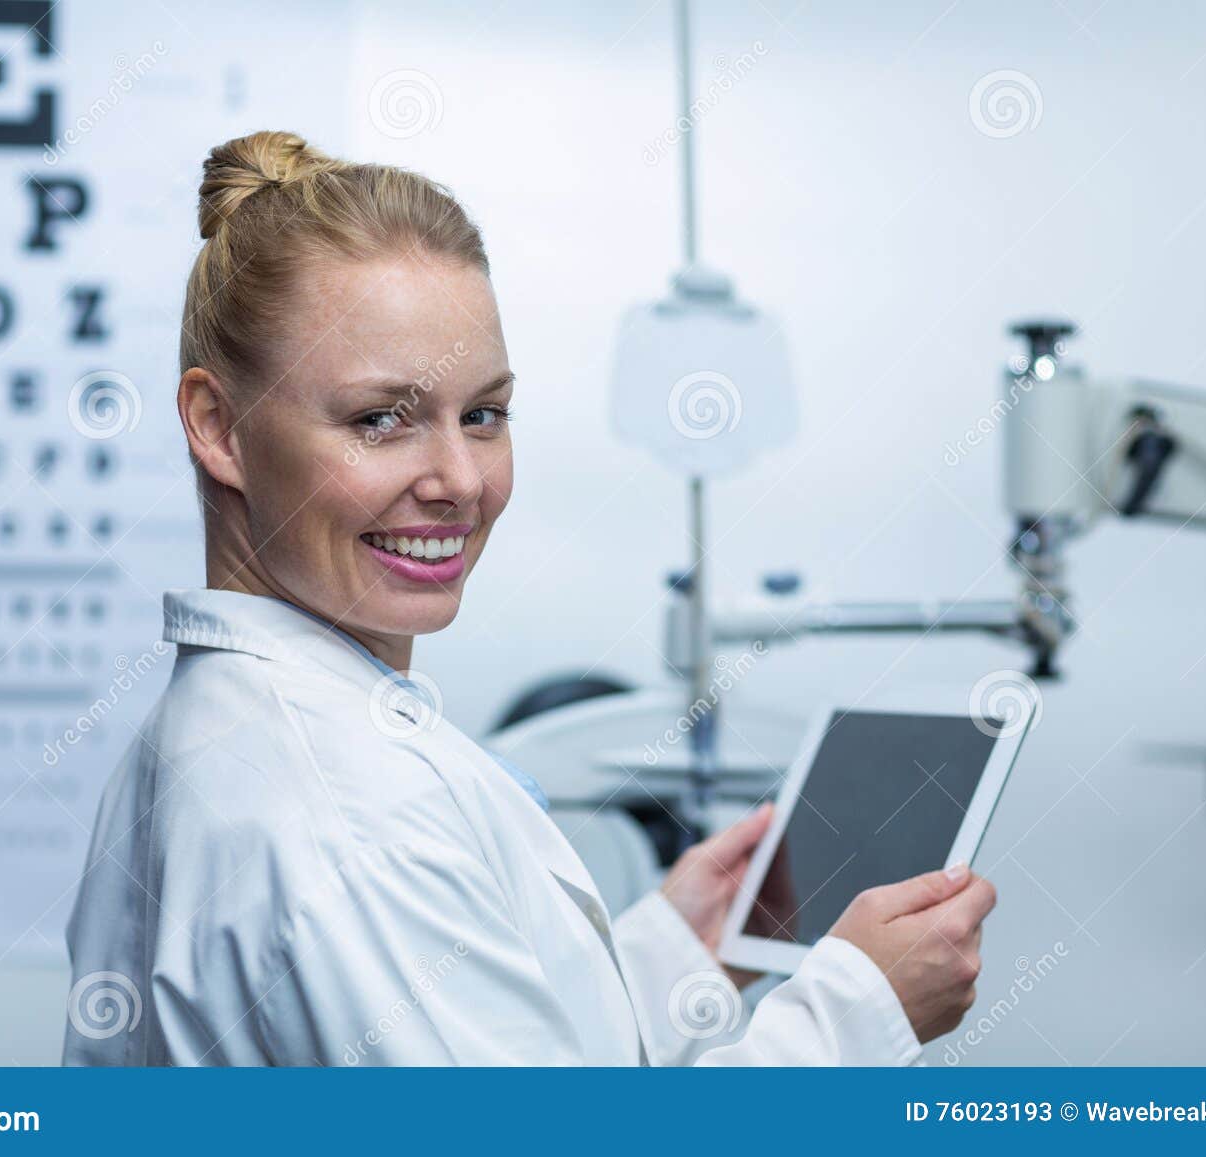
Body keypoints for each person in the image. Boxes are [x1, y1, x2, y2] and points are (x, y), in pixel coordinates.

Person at [62, 130, 995, 1066]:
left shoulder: (223, 740)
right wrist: (859, 1011)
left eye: (483, 415)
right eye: (380, 419)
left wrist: (680, 955)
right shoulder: (348, 816)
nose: (460, 480)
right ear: (218, 427)